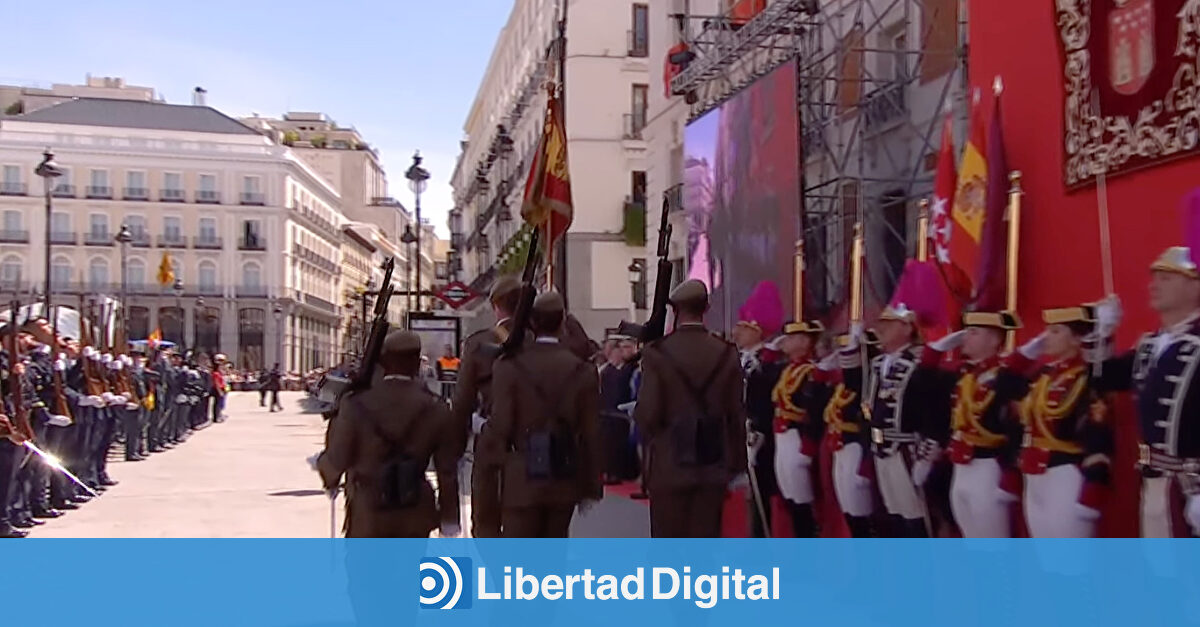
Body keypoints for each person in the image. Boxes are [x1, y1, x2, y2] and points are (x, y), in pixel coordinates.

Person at [318, 330, 462, 538]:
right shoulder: (436, 406)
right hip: (414, 510)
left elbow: (338, 457)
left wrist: (328, 476)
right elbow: (447, 471)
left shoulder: (355, 402)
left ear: (383, 362)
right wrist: (449, 520)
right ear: (416, 362)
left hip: (368, 511)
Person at [1100, 246, 1200, 537]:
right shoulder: (1149, 345)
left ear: (1195, 285)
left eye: (1167, 278)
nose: (1154, 285)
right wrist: (1103, 332)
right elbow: (1103, 379)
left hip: (1191, 485)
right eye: (1154, 277)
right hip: (1154, 481)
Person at [634, 279, 747, 538]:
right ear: (705, 309)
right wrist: (736, 465)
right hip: (712, 464)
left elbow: (649, 413)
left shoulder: (658, 353)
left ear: (675, 311)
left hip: (669, 464)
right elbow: (735, 412)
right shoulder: (726, 352)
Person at [484, 291, 601, 537]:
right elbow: (591, 432)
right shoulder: (583, 370)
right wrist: (590, 486)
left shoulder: (508, 366)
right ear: (562, 323)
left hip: (521, 476)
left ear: (532, 323)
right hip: (563, 476)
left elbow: (501, 426)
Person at [1004, 303, 1113, 537]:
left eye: (1055, 331)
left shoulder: (1087, 377)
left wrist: (1094, 485)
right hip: (1034, 475)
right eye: (1046, 330)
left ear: (1076, 339)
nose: (1046, 337)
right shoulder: (1042, 375)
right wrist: (1025, 355)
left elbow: (1099, 431)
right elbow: (1003, 387)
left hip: (1065, 474)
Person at [918, 311, 1026, 538]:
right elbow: (921, 388)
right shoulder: (961, 374)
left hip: (988, 466)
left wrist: (1010, 470)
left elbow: (1016, 427)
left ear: (994, 339)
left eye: (974, 333)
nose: (965, 338)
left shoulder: (1005, 377)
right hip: (960, 466)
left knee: (993, 544)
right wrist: (935, 351)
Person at [452, 276, 523, 538]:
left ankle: (498, 574)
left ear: (496, 307)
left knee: (486, 520)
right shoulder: (540, 341)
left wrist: (456, 448)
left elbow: (462, 401)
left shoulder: (480, 343)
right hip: (536, 448)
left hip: (492, 444)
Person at [732, 281, 785, 537]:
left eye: (743, 328)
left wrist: (757, 431)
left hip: (760, 435)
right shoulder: (740, 361)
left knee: (761, 492)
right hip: (740, 431)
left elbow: (766, 400)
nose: (736, 333)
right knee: (748, 495)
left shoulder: (767, 363)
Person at [769, 319, 831, 538]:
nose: (785, 342)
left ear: (805, 341)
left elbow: (813, 411)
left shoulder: (810, 372)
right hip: (782, 437)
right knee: (789, 496)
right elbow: (765, 374)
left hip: (797, 436)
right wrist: (770, 350)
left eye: (792, 338)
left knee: (802, 498)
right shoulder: (788, 370)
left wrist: (809, 444)